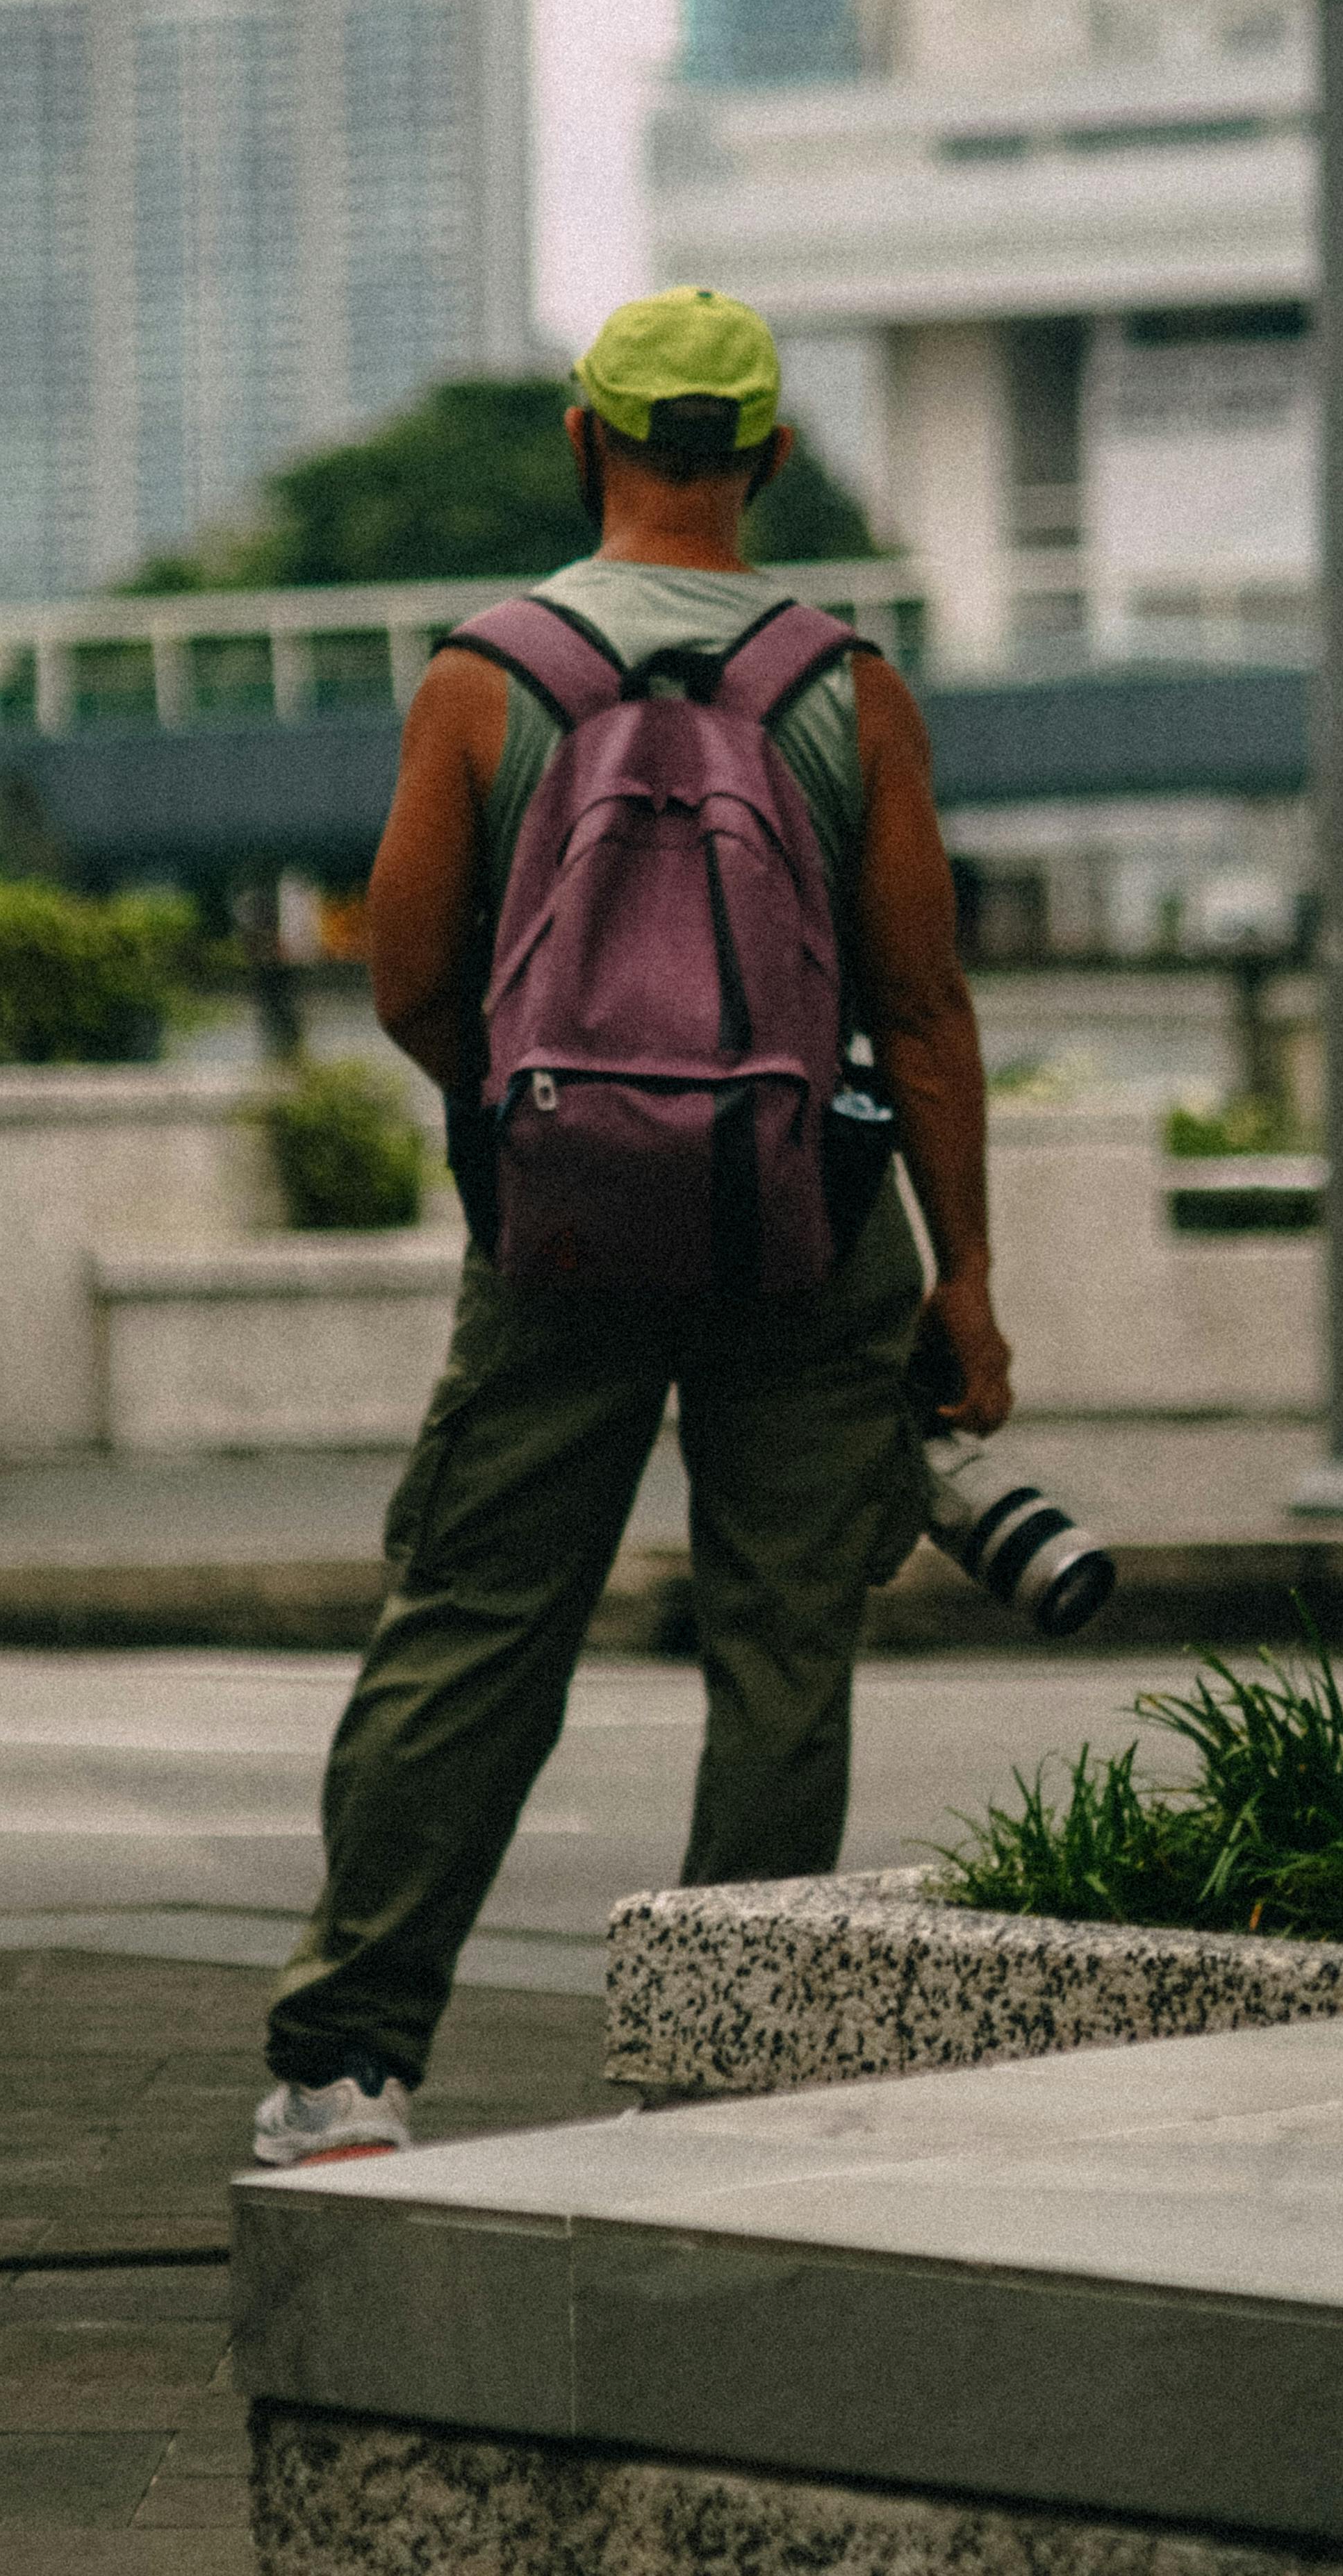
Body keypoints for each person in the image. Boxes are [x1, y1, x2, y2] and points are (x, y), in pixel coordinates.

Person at [254, 285, 1011, 2170]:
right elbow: (920, 1013)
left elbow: (410, 978)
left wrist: (541, 1120)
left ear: (587, 440)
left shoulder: (484, 677)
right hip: (808, 1227)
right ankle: (728, 2072)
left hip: (561, 1229)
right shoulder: (849, 689)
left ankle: (349, 2073)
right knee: (780, 1646)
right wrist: (972, 1284)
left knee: (478, 1623)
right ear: (760, 455)